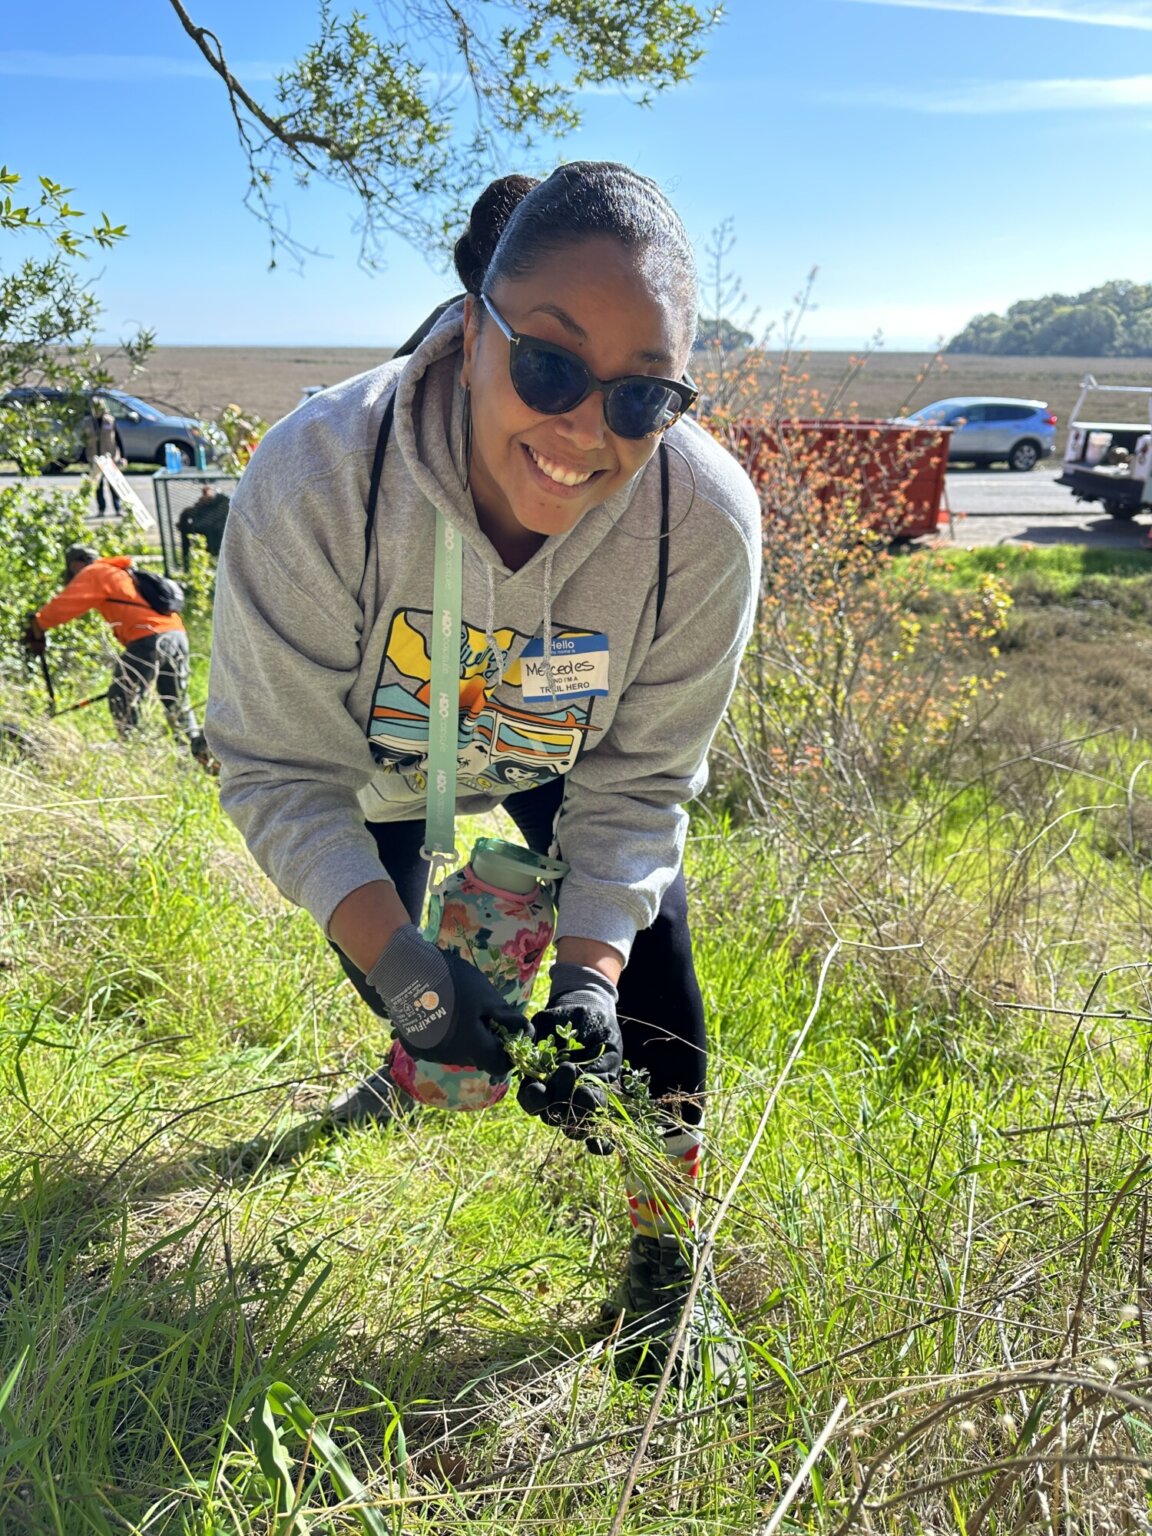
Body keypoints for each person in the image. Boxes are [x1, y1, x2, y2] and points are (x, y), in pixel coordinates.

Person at [206, 163, 762, 1375]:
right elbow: (273, 767)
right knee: (407, 972)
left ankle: (667, 1266)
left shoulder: (700, 523)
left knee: (650, 989)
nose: (581, 430)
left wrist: (587, 983)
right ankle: (408, 1064)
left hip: (562, 750)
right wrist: (409, 975)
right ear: (474, 330)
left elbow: (643, 784)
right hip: (374, 759)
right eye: (550, 368)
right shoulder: (318, 475)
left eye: (639, 397)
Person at [25, 544, 212, 765]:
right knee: (175, 699)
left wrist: (37, 624)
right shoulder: (122, 572)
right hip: (176, 633)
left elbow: (63, 606)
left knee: (121, 695)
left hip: (149, 636)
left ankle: (137, 754)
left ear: (75, 565)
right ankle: (197, 756)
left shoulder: (96, 572)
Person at [83, 397, 124, 518]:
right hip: (94, 457)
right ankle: (101, 509)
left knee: (113, 484)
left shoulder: (110, 421)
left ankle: (118, 508)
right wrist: (83, 459)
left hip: (109, 457)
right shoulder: (88, 422)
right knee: (98, 485)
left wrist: (123, 456)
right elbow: (84, 441)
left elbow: (118, 439)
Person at [178, 484, 231, 564]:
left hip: (215, 536)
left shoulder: (221, 504)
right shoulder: (199, 508)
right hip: (204, 536)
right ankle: (186, 562)